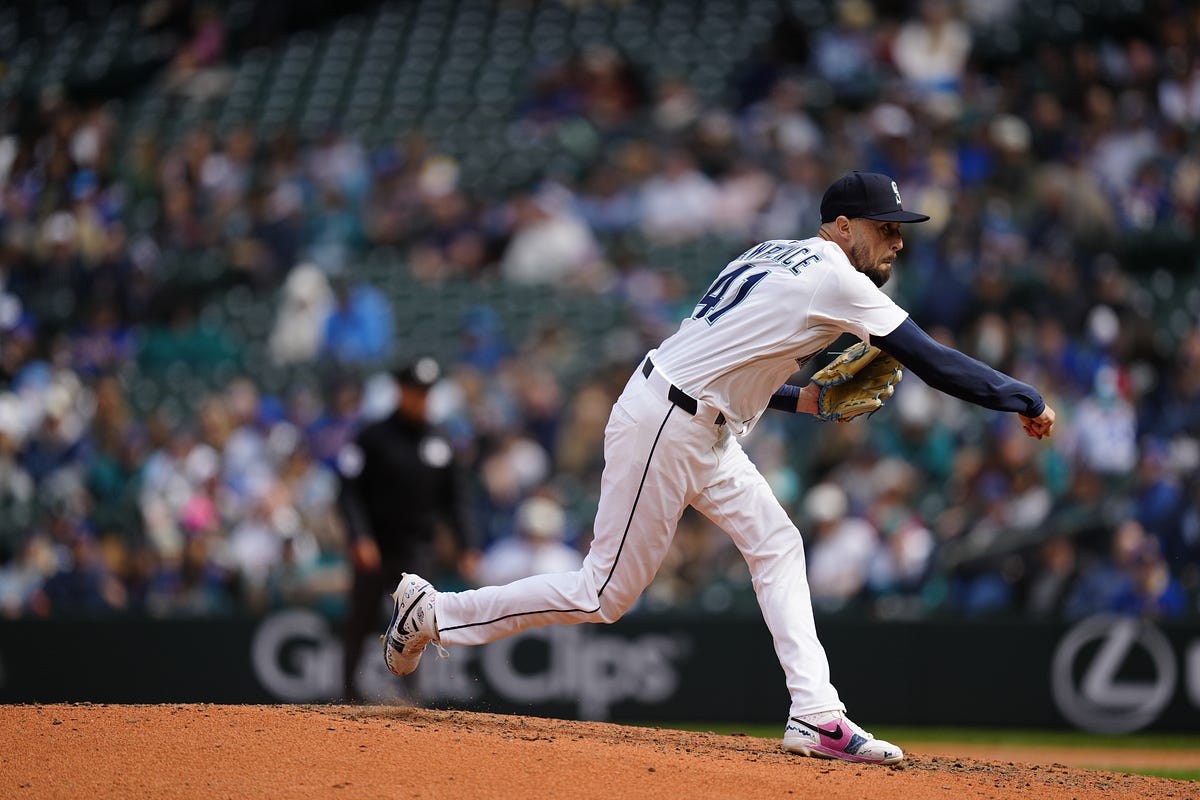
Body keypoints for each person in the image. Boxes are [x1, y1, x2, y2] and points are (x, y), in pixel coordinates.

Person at [382, 172, 1056, 764]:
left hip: (693, 419)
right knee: (603, 594)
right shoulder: (836, 277)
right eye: (886, 229)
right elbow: (931, 359)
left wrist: (806, 396)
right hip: (671, 425)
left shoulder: (771, 253)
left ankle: (816, 715)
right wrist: (1021, 397)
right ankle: (433, 612)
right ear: (843, 226)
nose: (897, 242)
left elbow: (727, 356)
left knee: (778, 542)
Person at [336, 358, 474, 702]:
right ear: (401, 391)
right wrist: (359, 536)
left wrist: (468, 544)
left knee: (417, 620)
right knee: (362, 618)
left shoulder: (440, 441)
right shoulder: (373, 437)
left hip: (417, 548)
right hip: (376, 543)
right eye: (415, 392)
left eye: (426, 393)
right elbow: (348, 492)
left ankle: (411, 695)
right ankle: (348, 692)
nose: (421, 399)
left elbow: (456, 499)